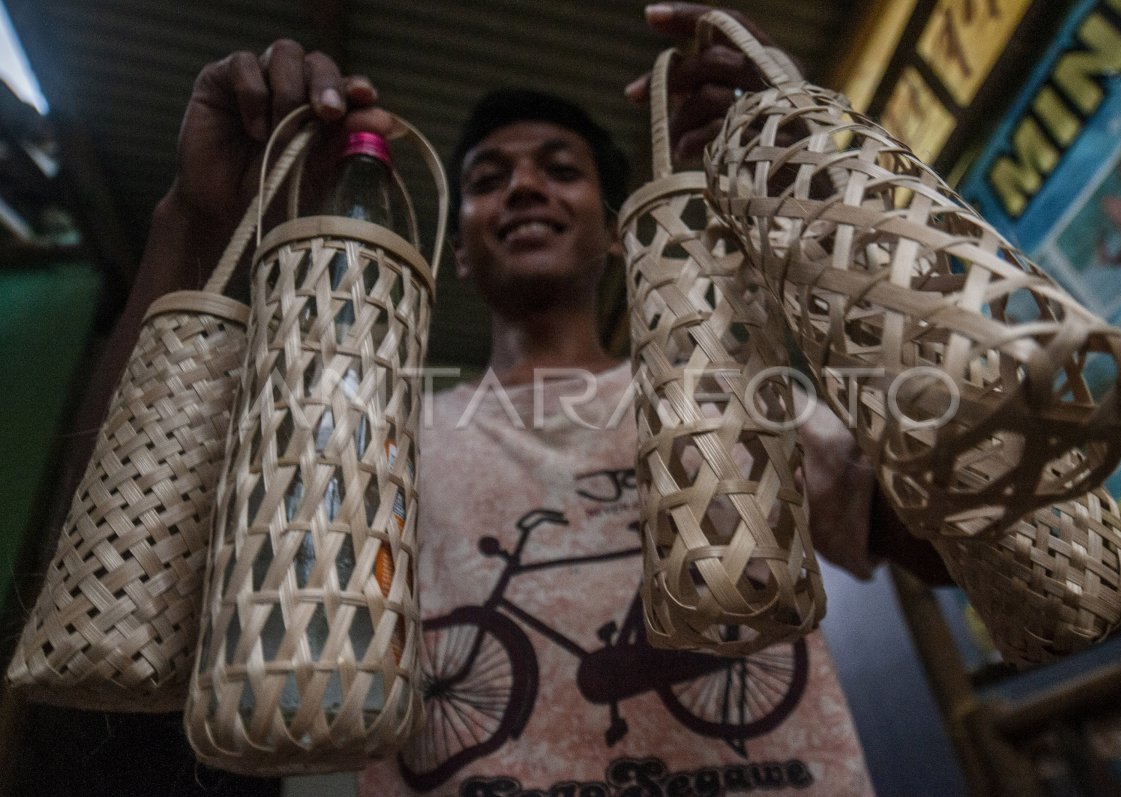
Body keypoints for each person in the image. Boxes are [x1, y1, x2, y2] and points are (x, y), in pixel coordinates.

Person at [82, 3, 948, 794]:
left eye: (560, 169)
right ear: (454, 246)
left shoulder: (735, 399)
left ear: (619, 231)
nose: (526, 187)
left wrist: (818, 171)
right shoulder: (370, 438)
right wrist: (195, 220)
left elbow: (952, 544)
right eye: (490, 178)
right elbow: (123, 542)